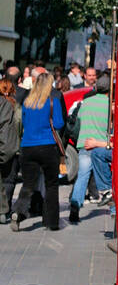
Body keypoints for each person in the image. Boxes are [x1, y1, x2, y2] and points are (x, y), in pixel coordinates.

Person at [11, 71, 68, 231]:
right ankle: (51, 222)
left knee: (28, 184)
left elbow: (24, 123)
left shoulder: (27, 102)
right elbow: (58, 123)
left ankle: (17, 212)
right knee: (51, 185)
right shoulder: (53, 101)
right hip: (47, 146)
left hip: (28, 146)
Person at [66, 72, 112, 224]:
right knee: (106, 176)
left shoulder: (86, 103)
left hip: (85, 145)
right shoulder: (110, 106)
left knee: (82, 176)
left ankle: (75, 205)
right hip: (101, 146)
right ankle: (113, 209)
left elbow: (78, 122)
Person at [0, 76, 21, 224]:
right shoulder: (17, 104)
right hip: (13, 146)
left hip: (3, 144)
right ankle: (5, 211)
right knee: (9, 179)